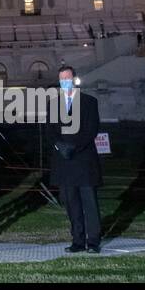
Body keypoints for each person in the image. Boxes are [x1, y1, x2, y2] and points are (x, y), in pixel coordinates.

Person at [47, 65, 102, 253]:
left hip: (84, 161)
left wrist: (74, 147)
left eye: (67, 78)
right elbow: (50, 130)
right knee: (72, 205)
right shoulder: (53, 104)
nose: (64, 82)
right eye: (61, 79)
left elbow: (91, 130)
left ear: (74, 80)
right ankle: (77, 241)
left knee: (90, 204)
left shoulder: (89, 102)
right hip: (65, 163)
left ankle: (93, 242)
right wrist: (60, 146)